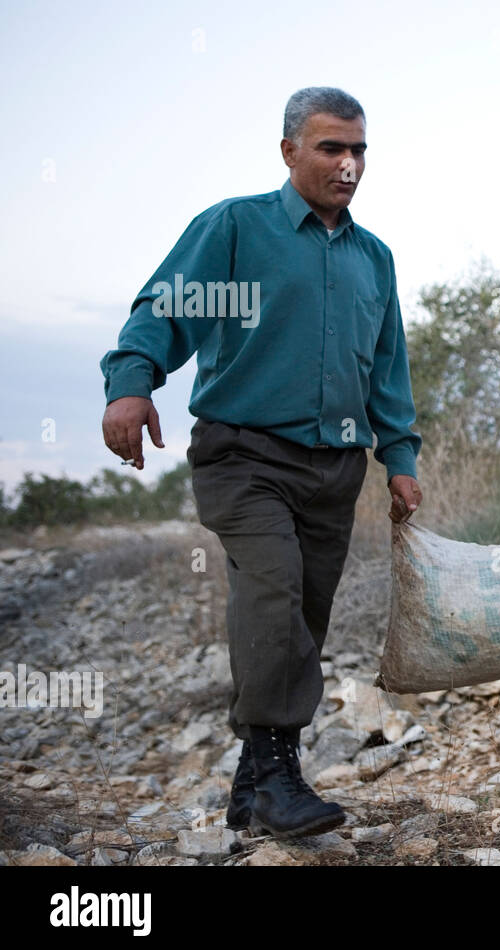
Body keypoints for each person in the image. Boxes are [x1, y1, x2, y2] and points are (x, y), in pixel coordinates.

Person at [99, 87, 423, 838]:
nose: (349, 165)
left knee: (301, 620)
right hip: (244, 454)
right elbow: (164, 309)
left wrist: (398, 456)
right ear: (289, 152)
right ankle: (281, 781)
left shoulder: (375, 259)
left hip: (335, 468)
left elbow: (387, 368)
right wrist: (131, 384)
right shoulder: (237, 227)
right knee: (273, 596)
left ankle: (252, 787)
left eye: (359, 150)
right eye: (331, 148)